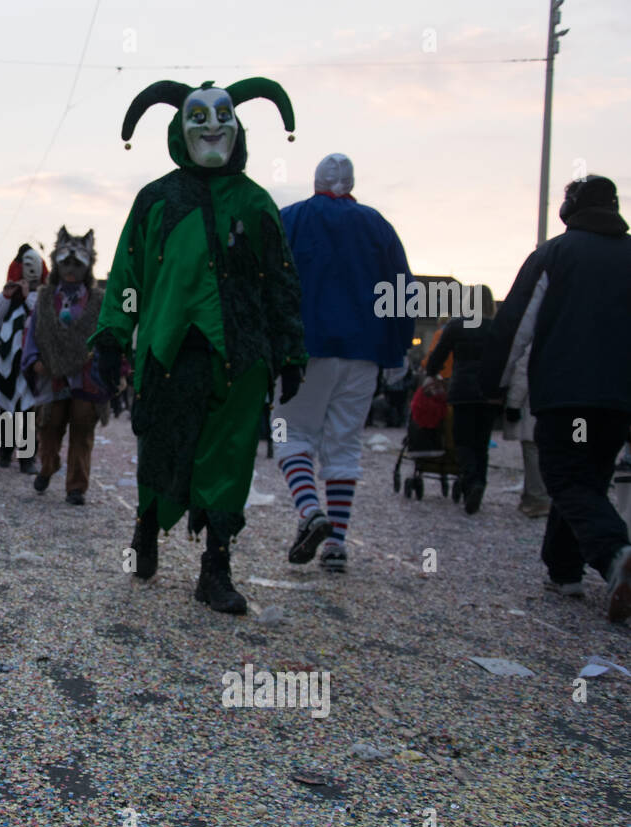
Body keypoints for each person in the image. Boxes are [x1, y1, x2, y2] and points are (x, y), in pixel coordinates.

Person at [93, 77, 307, 614]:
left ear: (237, 127)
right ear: (177, 129)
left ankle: (216, 567)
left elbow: (281, 280)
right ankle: (147, 525)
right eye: (197, 116)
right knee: (163, 445)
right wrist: (113, 336)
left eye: (222, 115)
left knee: (230, 457)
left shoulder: (256, 202)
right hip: (170, 351)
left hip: (241, 354)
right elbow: (126, 276)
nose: (211, 125)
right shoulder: (156, 199)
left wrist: (290, 350)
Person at [480, 175, 631, 620]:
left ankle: (616, 554)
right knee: (588, 480)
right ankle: (564, 570)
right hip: (618, 401)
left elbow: (517, 325)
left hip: (566, 395)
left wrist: (495, 384)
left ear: (569, 210)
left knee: (566, 479)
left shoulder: (554, 255)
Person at [273, 154, 413, 569]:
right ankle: (335, 543)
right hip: (364, 350)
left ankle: (309, 510)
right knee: (344, 443)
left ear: (315, 181)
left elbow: (270, 280)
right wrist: (398, 347)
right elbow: (400, 288)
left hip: (305, 348)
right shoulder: (377, 225)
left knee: (291, 433)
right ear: (351, 184)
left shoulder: (290, 219)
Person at [22, 227, 107, 504]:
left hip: (85, 377)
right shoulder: (46, 297)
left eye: (77, 264)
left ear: (87, 267)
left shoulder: (97, 301)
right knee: (49, 426)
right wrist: (33, 359)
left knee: (82, 430)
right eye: (66, 263)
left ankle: (76, 487)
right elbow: (32, 330)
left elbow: (107, 336)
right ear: (58, 264)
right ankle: (47, 466)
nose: (71, 269)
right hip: (52, 374)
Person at [425, 289, 497, 515]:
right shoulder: (496, 328)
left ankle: (469, 479)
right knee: (481, 443)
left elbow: (438, 356)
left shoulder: (456, 326)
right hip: (489, 391)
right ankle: (479, 484)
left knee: (463, 440)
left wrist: (432, 372)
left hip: (462, 390)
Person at [0, 245, 46, 471]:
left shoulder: (44, 294)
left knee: (27, 409)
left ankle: (27, 458)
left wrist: (27, 297)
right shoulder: (9, 295)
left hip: (31, 358)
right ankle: (5, 453)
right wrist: (8, 294)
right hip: (8, 360)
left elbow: (43, 317)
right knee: (6, 407)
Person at [501, 338, 549, 517]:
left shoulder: (535, 343)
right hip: (555, 405)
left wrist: (513, 404)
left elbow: (522, 374)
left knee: (532, 450)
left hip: (533, 406)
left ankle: (537, 497)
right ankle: (533, 496)